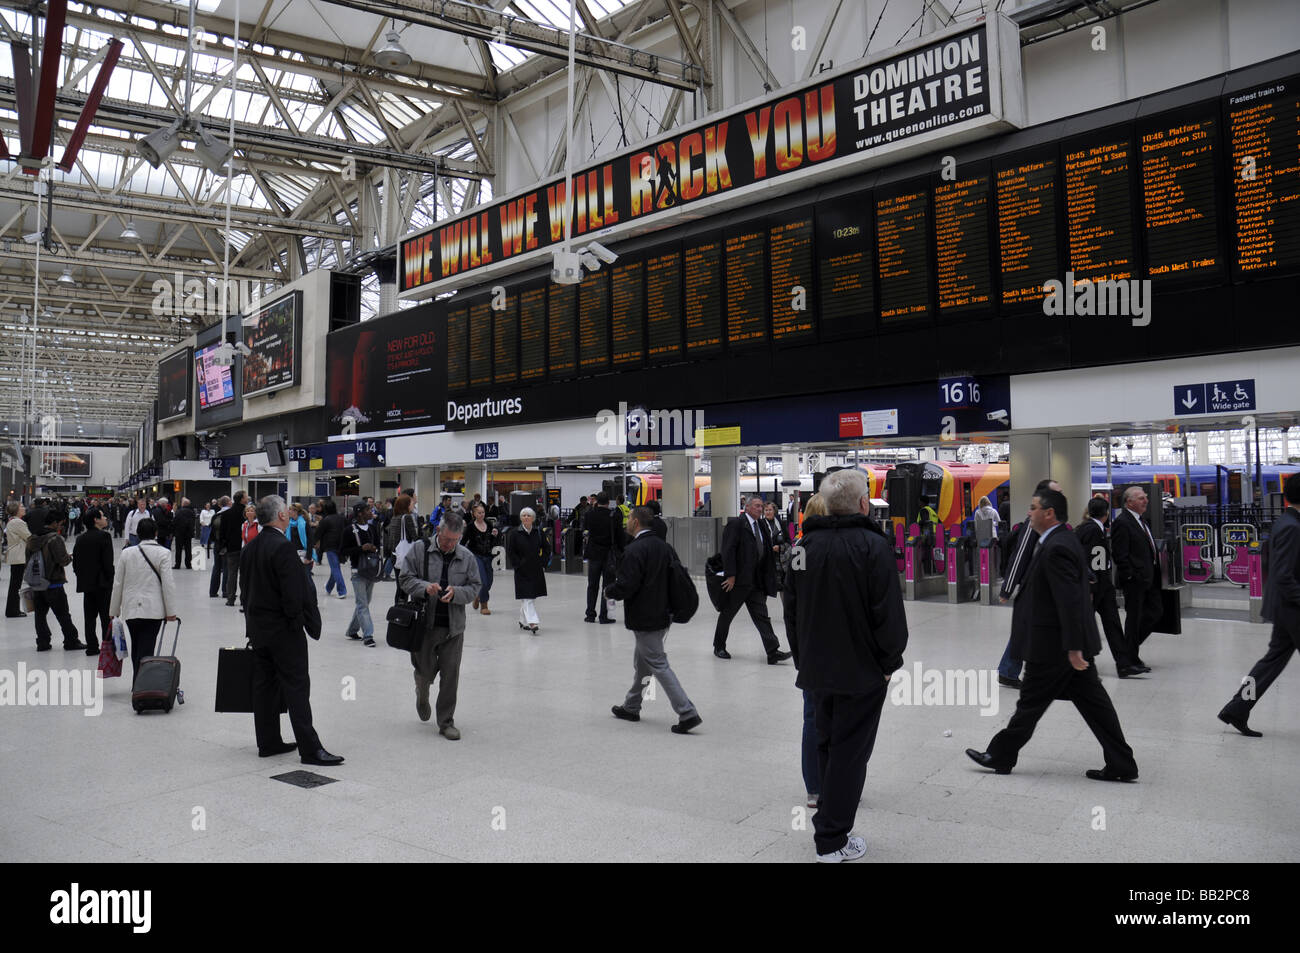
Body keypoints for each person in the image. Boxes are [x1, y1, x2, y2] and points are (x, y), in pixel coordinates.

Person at [966, 488, 1139, 783]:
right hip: (1064, 645)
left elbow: (1071, 600)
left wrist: (1073, 647)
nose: (1029, 512)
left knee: (1031, 704)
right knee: (1094, 704)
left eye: (1034, 507)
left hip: (1054, 647)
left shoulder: (1058, 546)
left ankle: (1001, 754)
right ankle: (1122, 762)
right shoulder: (1056, 540)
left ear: (1049, 513)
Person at [781, 470, 908, 862]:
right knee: (850, 753)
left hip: (817, 668)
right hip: (862, 672)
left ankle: (828, 827)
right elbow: (887, 614)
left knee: (826, 744)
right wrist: (889, 662)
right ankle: (832, 839)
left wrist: (802, 657)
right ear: (862, 504)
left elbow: (791, 609)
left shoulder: (803, 547)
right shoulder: (873, 546)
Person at [240, 495, 340, 766]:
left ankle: (268, 741)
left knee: (264, 688)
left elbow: (245, 592)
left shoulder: (250, 548)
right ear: (281, 516)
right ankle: (310, 749)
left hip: (258, 631)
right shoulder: (282, 547)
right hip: (283, 632)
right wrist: (297, 624)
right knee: (296, 688)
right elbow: (292, 595)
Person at [1218, 473, 1300, 736]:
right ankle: (1237, 707)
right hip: (1292, 610)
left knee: (1271, 662)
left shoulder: (1288, 522)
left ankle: (1237, 708)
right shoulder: (1292, 527)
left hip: (1286, 609)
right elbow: (1284, 575)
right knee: (1271, 661)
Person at [607, 506, 702, 734]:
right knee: (643, 664)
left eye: (629, 518)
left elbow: (628, 585)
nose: (627, 522)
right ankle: (632, 706)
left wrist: (610, 591)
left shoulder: (635, 549)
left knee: (657, 663)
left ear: (637, 523)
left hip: (645, 616)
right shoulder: (664, 547)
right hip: (663, 614)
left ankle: (687, 712)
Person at [398, 510, 481, 739]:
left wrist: (457, 593)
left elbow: (475, 587)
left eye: (455, 541)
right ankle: (421, 690)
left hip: (453, 627)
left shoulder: (466, 557)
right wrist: (424, 587)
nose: (450, 545)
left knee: (450, 675)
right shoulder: (419, 549)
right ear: (438, 531)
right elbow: (404, 579)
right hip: (425, 625)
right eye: (446, 540)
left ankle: (446, 722)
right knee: (424, 671)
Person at [994, 479, 1061, 689]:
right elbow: (1020, 554)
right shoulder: (1034, 522)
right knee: (1030, 629)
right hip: (1036, 587)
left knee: (1033, 629)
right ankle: (1010, 670)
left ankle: (1009, 670)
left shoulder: (1054, 523)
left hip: (1051, 586)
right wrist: (1007, 588)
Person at [713, 496, 792, 664]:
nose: (760, 509)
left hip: (756, 581)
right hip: (739, 580)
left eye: (761, 506)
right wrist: (731, 575)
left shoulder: (761, 525)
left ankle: (773, 651)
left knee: (762, 616)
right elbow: (728, 550)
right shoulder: (737, 524)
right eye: (756, 506)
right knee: (728, 614)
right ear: (747, 507)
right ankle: (719, 646)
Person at [787, 492, 829, 809]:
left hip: (810, 647)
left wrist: (798, 652)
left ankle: (814, 787)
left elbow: (792, 605)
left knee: (812, 717)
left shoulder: (799, 548)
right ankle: (833, 781)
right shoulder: (837, 546)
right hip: (834, 647)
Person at [1075, 497, 1143, 677]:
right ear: (1106, 514)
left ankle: (1124, 664)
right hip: (1096, 587)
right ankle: (1083, 664)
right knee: (1094, 626)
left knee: (1111, 624)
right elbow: (1089, 560)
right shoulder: (1093, 531)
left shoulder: (1087, 528)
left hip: (1101, 587)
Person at [108, 517, 177, 684]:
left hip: (131, 609)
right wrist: (171, 612)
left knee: (137, 647)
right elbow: (168, 584)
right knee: (147, 649)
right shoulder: (164, 553)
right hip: (153, 610)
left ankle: (137, 682)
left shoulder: (126, 553)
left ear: (137, 534)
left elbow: (118, 583)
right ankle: (142, 685)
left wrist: (114, 610)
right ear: (155, 533)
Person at [1110, 485, 1162, 672]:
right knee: (1134, 619)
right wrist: (1130, 575)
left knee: (1155, 612)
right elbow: (1120, 553)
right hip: (1135, 580)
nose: (1145, 500)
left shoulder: (1141, 521)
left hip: (1149, 578)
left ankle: (1127, 650)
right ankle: (1130, 657)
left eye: (1145, 497)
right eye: (1141, 498)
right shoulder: (1122, 522)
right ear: (1129, 502)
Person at [26, 509, 84, 652]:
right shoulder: (54, 539)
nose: (61, 526)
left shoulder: (32, 539)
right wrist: (70, 557)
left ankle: (43, 642)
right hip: (54, 582)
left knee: (40, 615)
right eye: (60, 524)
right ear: (54, 523)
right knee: (63, 614)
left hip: (37, 583)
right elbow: (62, 560)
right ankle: (71, 641)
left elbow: (27, 560)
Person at [72, 507, 115, 657]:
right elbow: (108, 563)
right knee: (105, 617)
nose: (105, 519)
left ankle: (92, 646)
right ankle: (107, 646)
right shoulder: (104, 537)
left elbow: (76, 563)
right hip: (103, 584)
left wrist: (82, 577)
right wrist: (111, 579)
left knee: (89, 617)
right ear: (96, 520)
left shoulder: (80, 538)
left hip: (87, 584)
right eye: (102, 516)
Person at [339, 502, 382, 646]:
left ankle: (352, 630)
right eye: (368, 510)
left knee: (364, 602)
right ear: (360, 513)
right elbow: (343, 551)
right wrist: (360, 548)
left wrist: (374, 548)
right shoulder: (348, 531)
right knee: (362, 604)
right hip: (357, 571)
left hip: (371, 570)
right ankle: (368, 635)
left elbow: (377, 546)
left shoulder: (372, 528)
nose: (371, 511)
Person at [583, 492, 622, 624]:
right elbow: (619, 536)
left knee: (592, 585)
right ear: (608, 502)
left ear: (597, 501)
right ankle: (604, 616)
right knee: (608, 586)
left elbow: (585, 530)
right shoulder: (614, 515)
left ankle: (590, 614)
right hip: (608, 555)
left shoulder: (589, 514)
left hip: (593, 553)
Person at [507, 507, 547, 633]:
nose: (526, 517)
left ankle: (523, 620)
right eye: (523, 515)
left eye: (528, 515)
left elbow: (547, 548)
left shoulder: (538, 532)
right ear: (520, 518)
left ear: (533, 518)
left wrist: (543, 562)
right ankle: (532, 622)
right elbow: (511, 551)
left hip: (535, 569)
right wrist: (517, 564)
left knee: (530, 596)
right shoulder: (514, 533)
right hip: (522, 570)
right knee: (528, 596)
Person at [462, 501, 497, 616]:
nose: (481, 514)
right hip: (476, 556)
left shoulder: (489, 524)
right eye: (479, 513)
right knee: (483, 581)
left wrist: (495, 535)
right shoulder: (471, 526)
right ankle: (484, 605)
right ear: (474, 514)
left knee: (490, 581)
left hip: (488, 555)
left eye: (483, 512)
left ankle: (477, 595)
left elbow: (493, 542)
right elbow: (463, 542)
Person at [314, 499, 348, 600]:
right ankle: (329, 587)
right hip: (342, 546)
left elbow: (318, 533)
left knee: (335, 568)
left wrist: (313, 543)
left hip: (330, 546)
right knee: (335, 567)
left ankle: (342, 591)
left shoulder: (325, 520)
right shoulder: (342, 518)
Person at [220, 490, 247, 606]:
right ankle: (243, 599)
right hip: (245, 547)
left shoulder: (226, 514)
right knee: (244, 574)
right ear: (242, 499)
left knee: (232, 574)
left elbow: (222, 533)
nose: (247, 498)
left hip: (231, 547)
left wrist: (224, 545)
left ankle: (230, 598)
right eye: (246, 497)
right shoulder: (247, 513)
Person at [5, 501, 31, 618]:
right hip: (18, 555)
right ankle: (12, 610)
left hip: (15, 555)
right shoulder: (18, 522)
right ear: (16, 509)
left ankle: (12, 609)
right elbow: (29, 537)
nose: (24, 508)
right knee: (16, 585)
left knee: (15, 584)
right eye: (21, 506)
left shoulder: (12, 521)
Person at [209, 496, 232, 598]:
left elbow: (212, 531)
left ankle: (213, 591)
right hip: (227, 544)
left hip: (217, 544)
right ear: (228, 503)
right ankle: (225, 591)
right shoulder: (230, 515)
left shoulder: (215, 516)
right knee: (227, 567)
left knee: (216, 567)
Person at [172, 498, 196, 569]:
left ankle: (177, 564)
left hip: (179, 533)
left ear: (183, 504)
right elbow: (192, 523)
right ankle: (188, 564)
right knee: (188, 549)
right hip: (188, 534)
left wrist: (174, 531)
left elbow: (175, 522)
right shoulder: (192, 512)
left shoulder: (179, 512)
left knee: (178, 549)